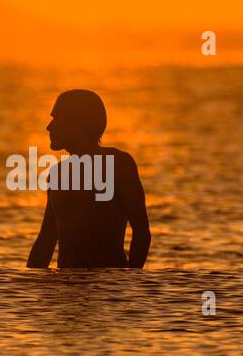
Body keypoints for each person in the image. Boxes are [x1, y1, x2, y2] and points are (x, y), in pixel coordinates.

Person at [26, 89, 151, 269]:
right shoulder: (57, 173)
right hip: (65, 291)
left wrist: (130, 283)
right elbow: (45, 241)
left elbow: (142, 233)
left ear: (75, 123)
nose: (49, 126)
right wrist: (27, 287)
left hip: (111, 289)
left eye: (56, 118)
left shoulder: (119, 164)